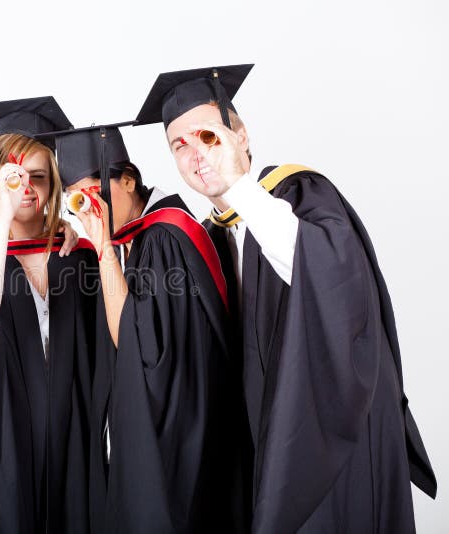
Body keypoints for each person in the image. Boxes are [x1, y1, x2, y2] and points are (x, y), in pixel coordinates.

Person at [135, 64, 437, 533]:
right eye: (181, 145)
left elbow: (324, 275)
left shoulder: (297, 194)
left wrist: (238, 185)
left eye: (209, 137)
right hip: (265, 442)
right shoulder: (211, 237)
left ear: (241, 135)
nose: (197, 155)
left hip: (329, 437)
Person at [50, 123, 249, 534]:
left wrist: (103, 247)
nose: (90, 208)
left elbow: (136, 342)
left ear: (128, 179)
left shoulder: (162, 238)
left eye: (94, 191)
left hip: (185, 439)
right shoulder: (147, 235)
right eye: (77, 201)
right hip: (194, 425)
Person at [0, 96, 95, 534]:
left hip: (71, 436)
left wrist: (68, 230)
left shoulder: (77, 255)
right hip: (1, 437)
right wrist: (2, 219)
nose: (27, 188)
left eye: (38, 178)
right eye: (14, 179)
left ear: (54, 184)